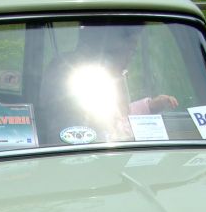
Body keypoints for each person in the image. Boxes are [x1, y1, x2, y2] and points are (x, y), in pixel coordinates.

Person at [38, 21, 178, 145]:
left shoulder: (113, 75)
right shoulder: (69, 73)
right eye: (128, 46)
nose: (130, 55)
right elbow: (92, 126)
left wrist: (149, 107)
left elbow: (119, 118)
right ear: (104, 43)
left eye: (132, 48)